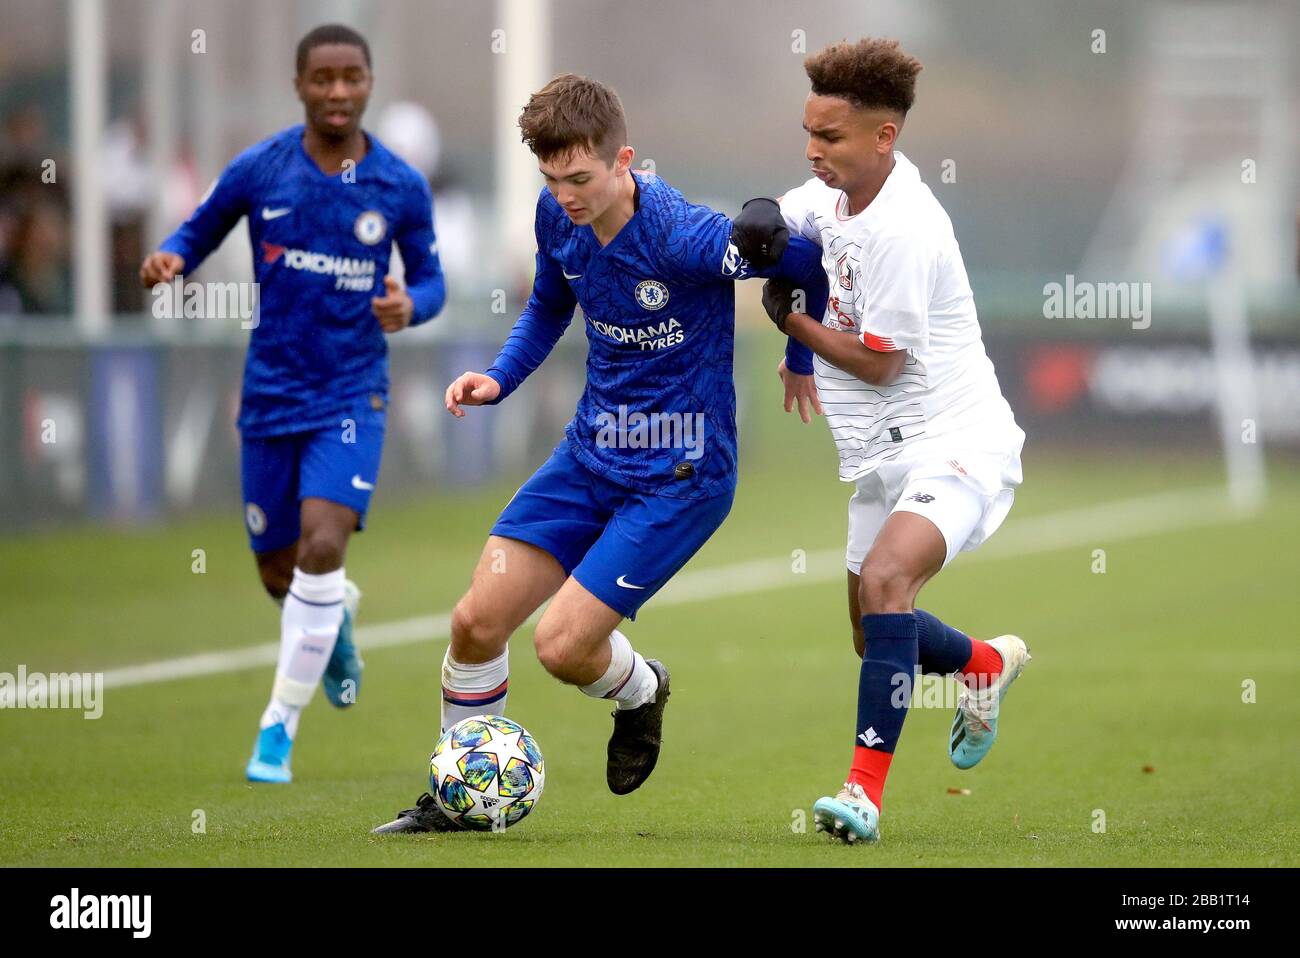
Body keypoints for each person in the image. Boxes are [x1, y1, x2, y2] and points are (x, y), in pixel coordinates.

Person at [372, 73, 827, 833]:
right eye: (551, 179)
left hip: (681, 475)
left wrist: (801, 356)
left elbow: (803, 264)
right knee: (475, 623)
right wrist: (499, 377)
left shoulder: (686, 238)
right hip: (591, 455)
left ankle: (642, 689)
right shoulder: (557, 214)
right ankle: (460, 799)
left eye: (580, 179)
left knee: (560, 647)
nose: (565, 196)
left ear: (624, 161)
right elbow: (550, 304)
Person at [733, 37, 1030, 844]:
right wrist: (750, 222)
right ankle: (983, 664)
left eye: (829, 137)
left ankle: (861, 795)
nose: (813, 149)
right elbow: (778, 229)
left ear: (883, 137)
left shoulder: (905, 228)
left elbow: (880, 362)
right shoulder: (831, 193)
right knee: (872, 630)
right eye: (808, 132)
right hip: (878, 454)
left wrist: (794, 326)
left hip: (955, 439)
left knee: (890, 580)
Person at [139, 24, 446, 783]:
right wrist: (174, 256)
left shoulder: (399, 185)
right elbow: (200, 229)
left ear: (369, 83)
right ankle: (333, 622)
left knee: (323, 545)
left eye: (352, 77)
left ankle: (277, 728)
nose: (338, 91)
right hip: (271, 393)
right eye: (324, 78)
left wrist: (413, 305)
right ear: (299, 85)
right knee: (279, 571)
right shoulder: (261, 168)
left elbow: (431, 279)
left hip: (352, 392)